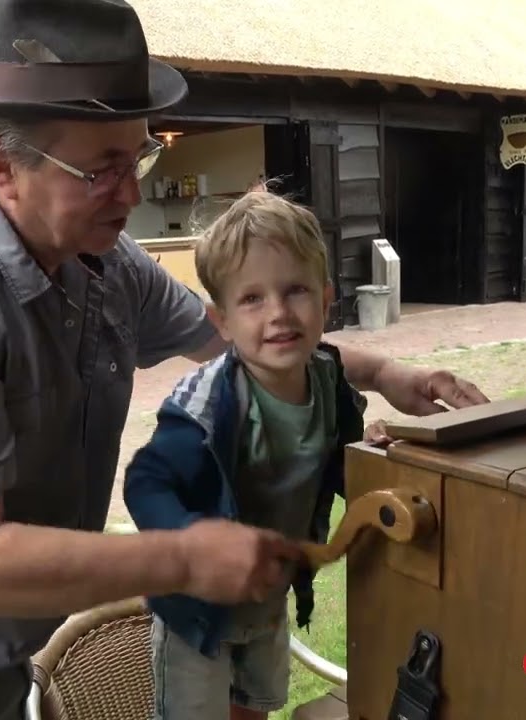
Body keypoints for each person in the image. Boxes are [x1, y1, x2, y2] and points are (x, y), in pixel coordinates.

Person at [0, 0, 488, 717]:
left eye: (140, 155)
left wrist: (386, 375)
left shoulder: (103, 263)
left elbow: (237, 337)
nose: (133, 192)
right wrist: (185, 556)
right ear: (1, 165)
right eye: (102, 169)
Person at [123, 190, 380, 719]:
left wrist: (373, 460)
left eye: (296, 291)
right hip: (196, 612)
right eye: (253, 299)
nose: (280, 314)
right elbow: (146, 482)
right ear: (221, 321)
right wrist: (194, 542)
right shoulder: (209, 407)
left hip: (267, 600)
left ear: (327, 298)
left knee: (254, 710)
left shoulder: (328, 380)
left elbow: (336, 461)